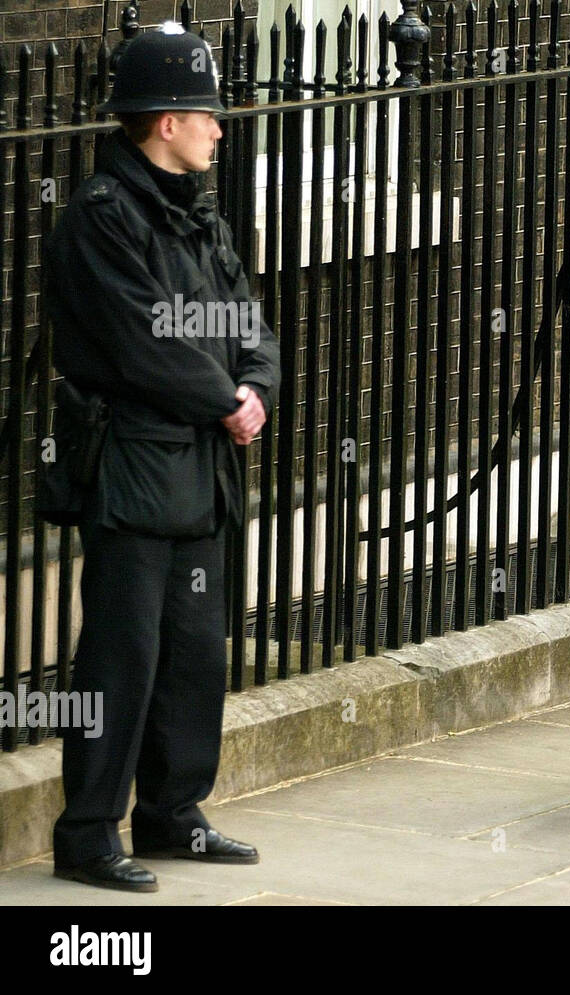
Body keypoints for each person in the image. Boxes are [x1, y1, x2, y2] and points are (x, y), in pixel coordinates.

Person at [44, 24, 280, 891]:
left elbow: (246, 320)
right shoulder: (103, 218)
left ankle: (173, 813)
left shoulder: (198, 215)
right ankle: (88, 831)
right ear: (166, 120)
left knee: (194, 651)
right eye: (210, 115)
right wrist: (227, 400)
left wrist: (256, 385)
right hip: (134, 468)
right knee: (121, 655)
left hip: (204, 468)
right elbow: (143, 340)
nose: (221, 129)